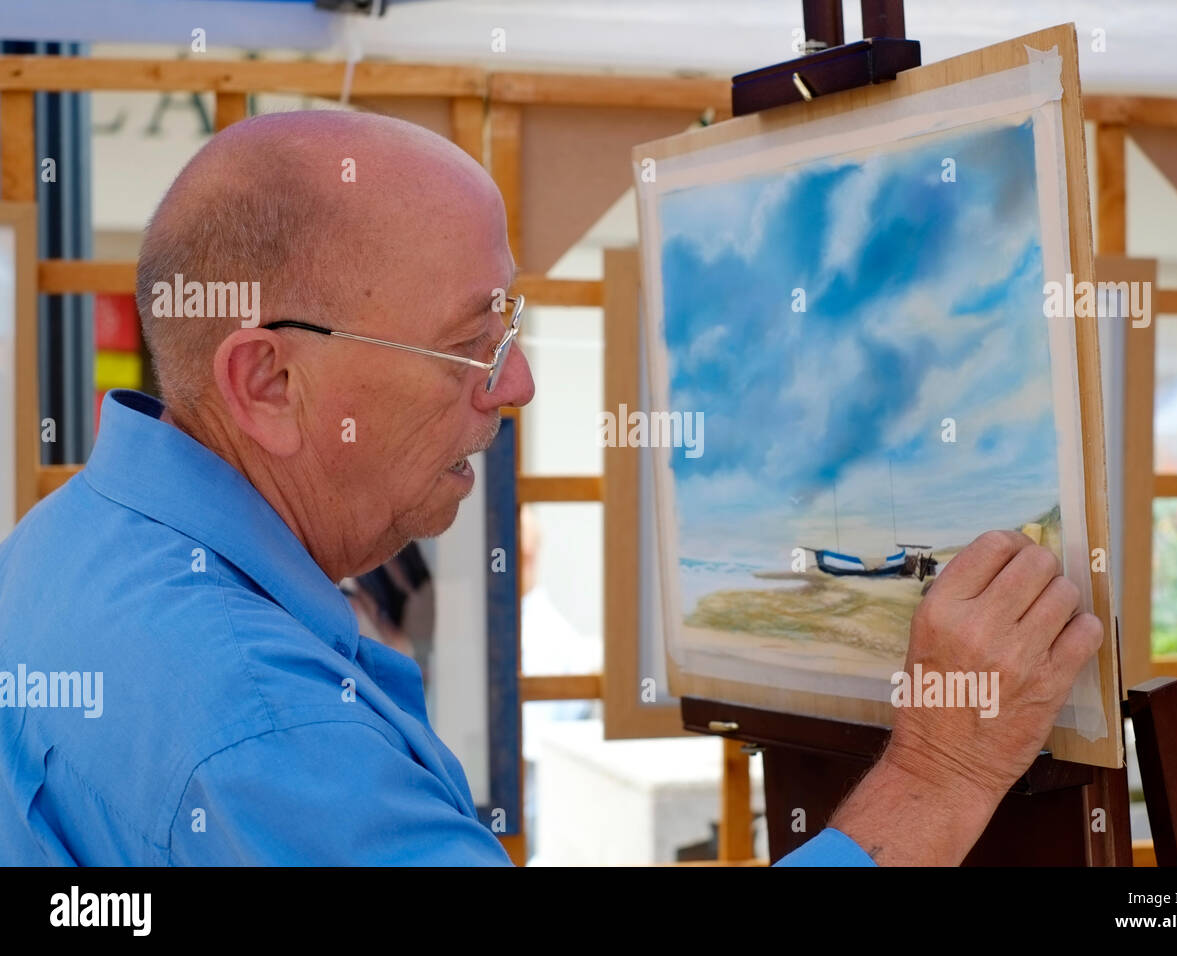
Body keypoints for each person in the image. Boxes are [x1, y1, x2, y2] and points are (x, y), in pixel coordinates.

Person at [0, 111, 1100, 865]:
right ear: (271, 381)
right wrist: (944, 768)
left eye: (511, 325)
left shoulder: (66, 542)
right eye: (473, 340)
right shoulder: (259, 732)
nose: (515, 382)